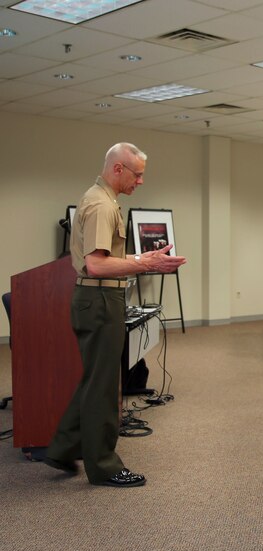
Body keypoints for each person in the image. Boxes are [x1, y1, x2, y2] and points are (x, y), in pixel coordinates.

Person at [44, 142, 186, 487]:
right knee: (105, 387)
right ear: (118, 169)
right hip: (99, 300)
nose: (140, 181)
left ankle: (63, 447)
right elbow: (96, 265)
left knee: (96, 379)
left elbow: (102, 259)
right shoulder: (100, 205)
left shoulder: (104, 201)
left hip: (101, 299)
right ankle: (104, 466)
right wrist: (145, 263)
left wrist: (142, 261)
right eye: (137, 174)